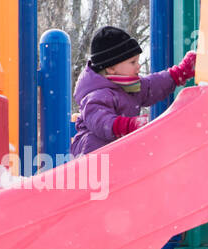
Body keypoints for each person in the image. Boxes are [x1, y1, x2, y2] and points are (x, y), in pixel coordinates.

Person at [70, 26, 197, 157]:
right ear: (111, 68)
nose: (138, 66)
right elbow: (101, 122)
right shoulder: (97, 94)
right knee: (96, 139)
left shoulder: (129, 86)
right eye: (132, 62)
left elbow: (152, 86)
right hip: (90, 157)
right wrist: (128, 125)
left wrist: (179, 73)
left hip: (117, 152)